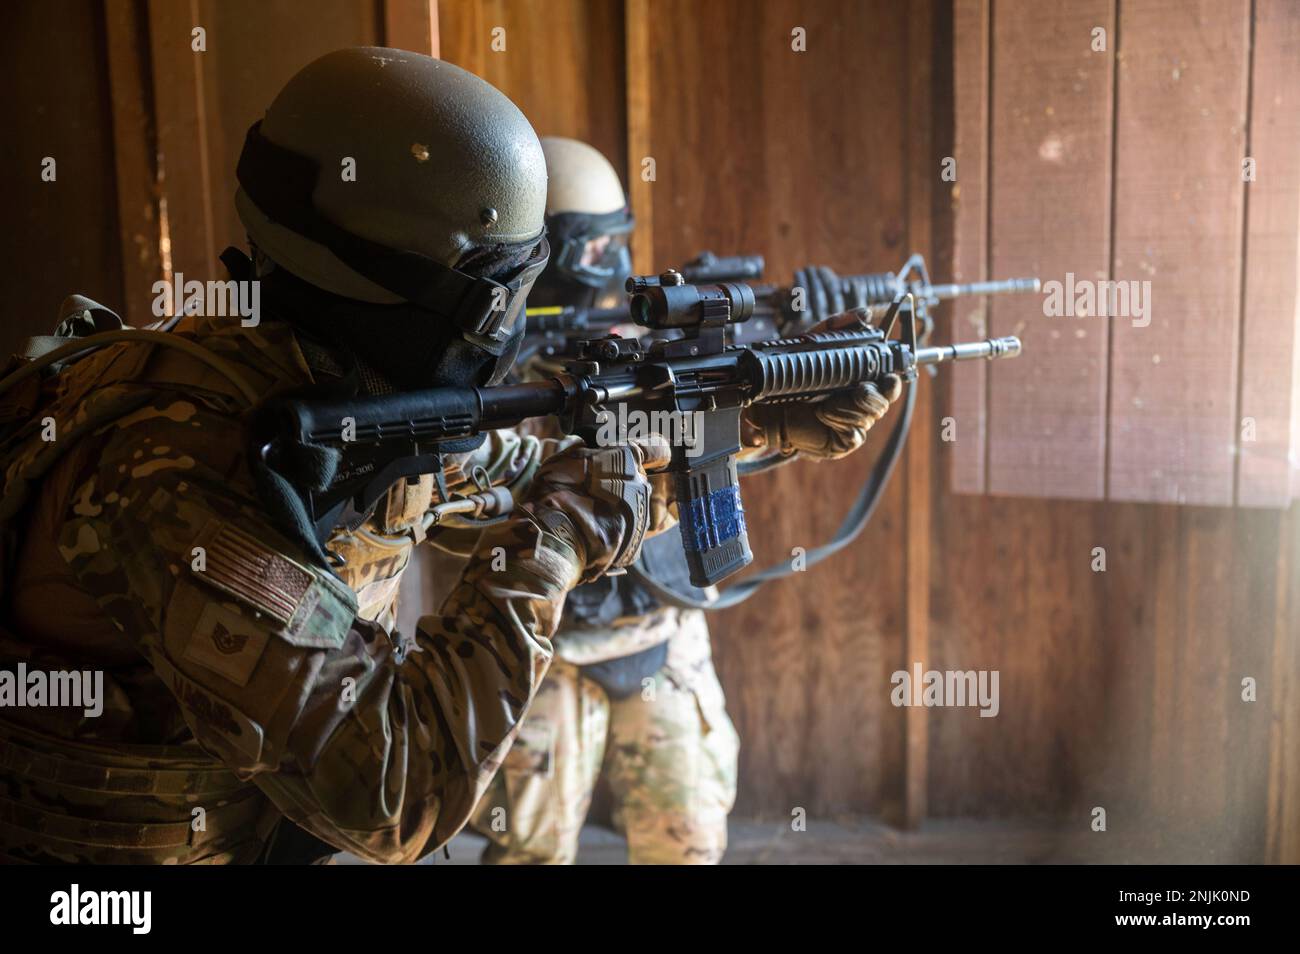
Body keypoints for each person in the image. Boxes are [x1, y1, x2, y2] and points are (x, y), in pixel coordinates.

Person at [0, 49, 664, 865]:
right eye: (499, 298)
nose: (510, 334)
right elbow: (391, 790)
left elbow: (527, 471)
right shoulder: (175, 469)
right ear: (401, 292)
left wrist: (752, 418)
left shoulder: (324, 390)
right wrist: (554, 545)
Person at [469, 137, 902, 864]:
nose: (606, 265)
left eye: (615, 242)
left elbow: (743, 393)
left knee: (688, 843)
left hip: (660, 628)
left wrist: (804, 332)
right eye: (590, 245)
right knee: (526, 851)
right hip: (541, 643)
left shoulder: (654, 338)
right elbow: (489, 486)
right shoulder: (488, 371)